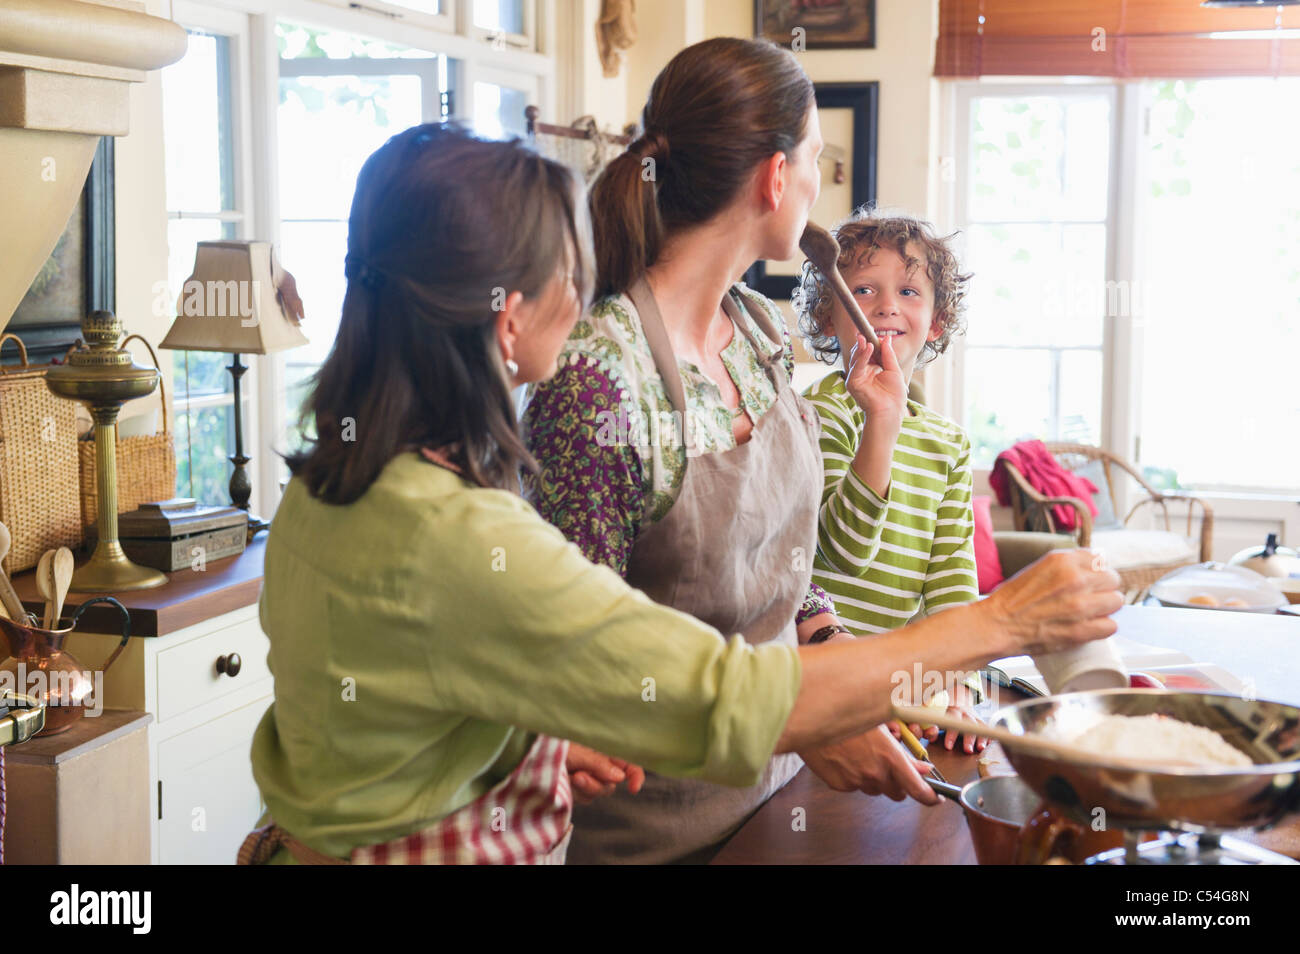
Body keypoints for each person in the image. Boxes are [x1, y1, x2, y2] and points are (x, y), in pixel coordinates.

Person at [242, 121, 1123, 866]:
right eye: (568, 271)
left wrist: (530, 747)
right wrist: (1005, 622)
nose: (583, 294)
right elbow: (723, 696)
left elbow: (405, 712)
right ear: (509, 313)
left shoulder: (331, 491)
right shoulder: (455, 530)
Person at [520, 39, 1076, 863]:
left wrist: (827, 655)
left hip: (781, 796)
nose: (818, 184)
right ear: (776, 178)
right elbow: (575, 663)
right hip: (662, 836)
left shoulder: (757, 336)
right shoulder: (599, 381)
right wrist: (795, 722)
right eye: (815, 160)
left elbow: (781, 560)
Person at [792, 210, 985, 752]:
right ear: (829, 317)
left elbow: (950, 578)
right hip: (821, 681)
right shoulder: (812, 417)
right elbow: (842, 554)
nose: (886, 306)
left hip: (899, 688)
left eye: (908, 291)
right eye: (864, 289)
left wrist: (957, 682)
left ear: (937, 322)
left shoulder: (949, 444)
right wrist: (880, 423)